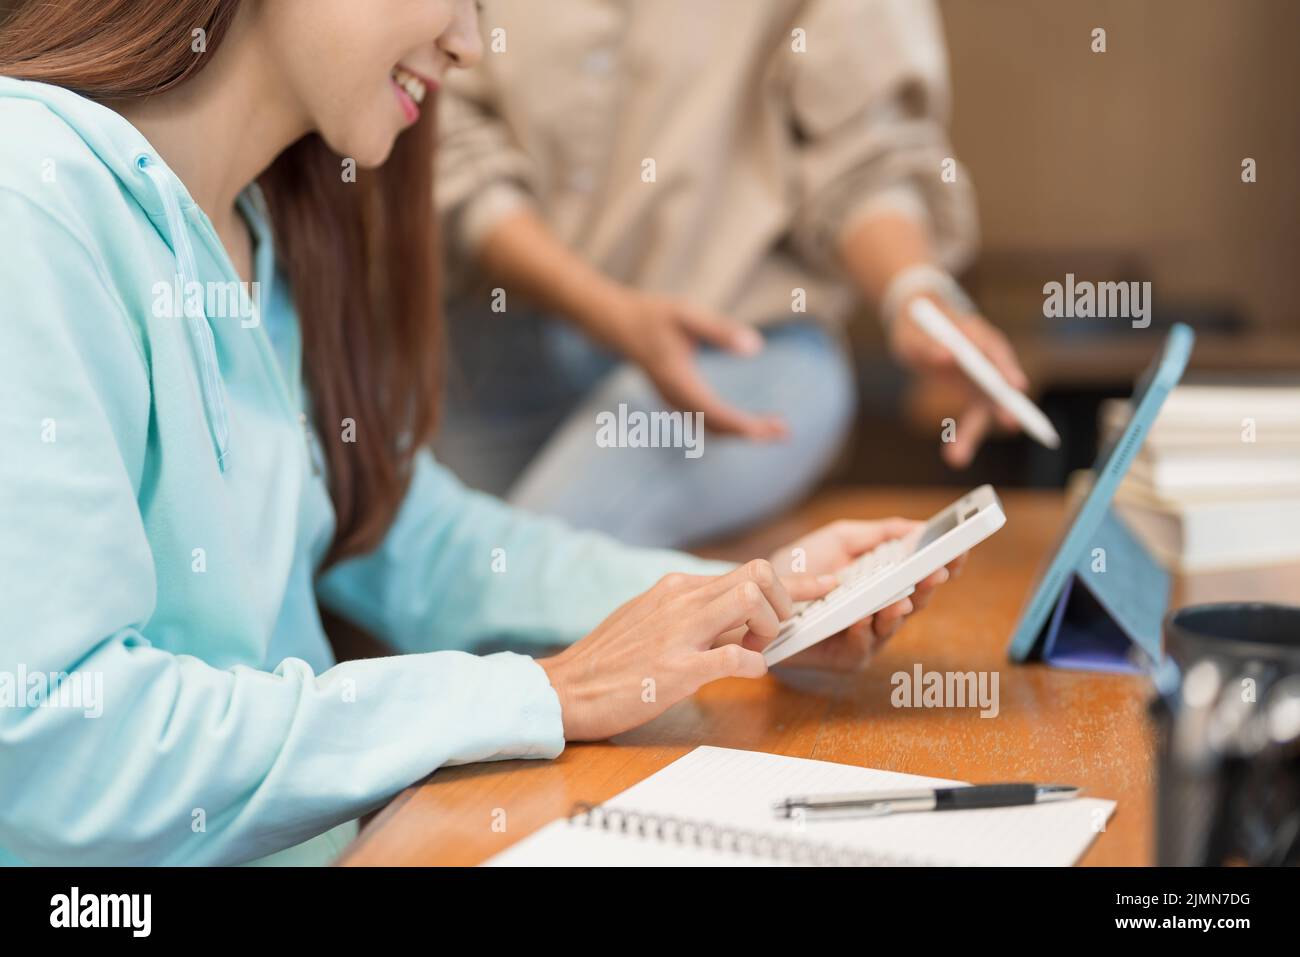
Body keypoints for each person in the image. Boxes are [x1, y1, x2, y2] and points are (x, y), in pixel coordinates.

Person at [0, 0, 961, 866]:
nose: (468, 40)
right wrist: (540, 690)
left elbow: (417, 541)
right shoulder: (29, 198)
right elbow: (52, 746)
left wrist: (748, 605)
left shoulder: (260, 229)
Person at [433, 0, 1031, 549]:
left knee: (522, 560)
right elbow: (450, 142)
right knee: (442, 572)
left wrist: (913, 294)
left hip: (734, 345)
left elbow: (866, 159)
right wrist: (607, 311)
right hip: (490, 343)